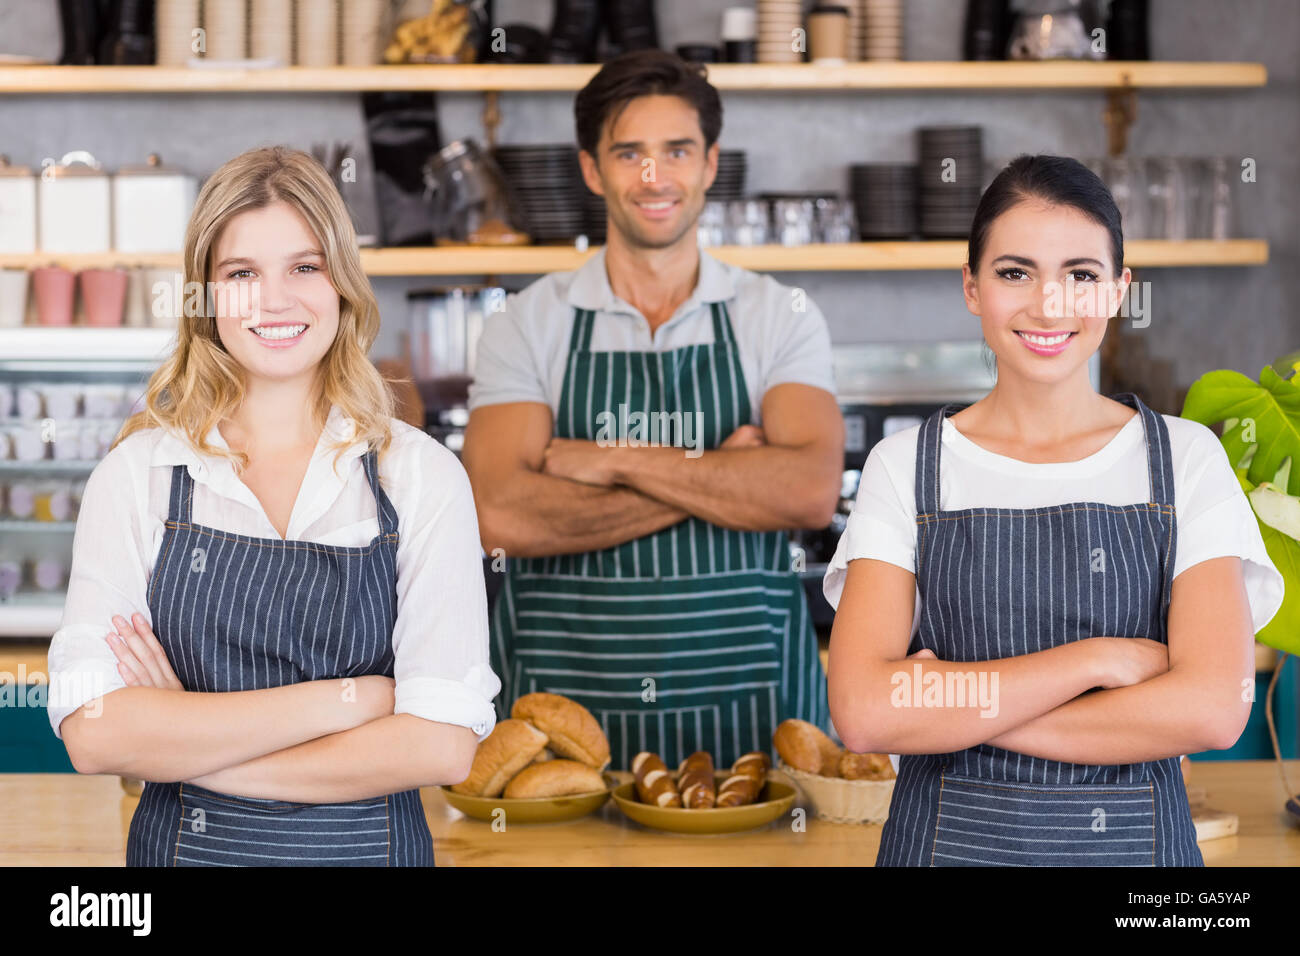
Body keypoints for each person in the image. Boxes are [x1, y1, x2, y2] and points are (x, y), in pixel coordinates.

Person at [823, 154, 1284, 867]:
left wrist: (956, 712)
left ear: (1119, 291)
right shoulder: (907, 466)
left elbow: (1212, 708)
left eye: (1081, 275)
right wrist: (1095, 661)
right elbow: (864, 711)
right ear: (972, 288)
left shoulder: (1187, 459)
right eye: (1015, 273)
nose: (1050, 304)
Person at [47, 146, 500, 866]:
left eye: (305, 267)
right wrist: (348, 699)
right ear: (205, 295)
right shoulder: (138, 477)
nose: (275, 300)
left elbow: (440, 746)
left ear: (343, 282)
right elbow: (96, 733)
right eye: (241, 274)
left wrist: (184, 746)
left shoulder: (420, 478)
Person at [462, 50, 845, 770]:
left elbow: (808, 491)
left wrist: (610, 461)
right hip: (563, 727)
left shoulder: (778, 317)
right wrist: (726, 477)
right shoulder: (526, 322)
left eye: (676, 151)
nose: (653, 177)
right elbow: (499, 514)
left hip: (755, 717)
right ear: (591, 169)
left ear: (709, 164)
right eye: (628, 152)